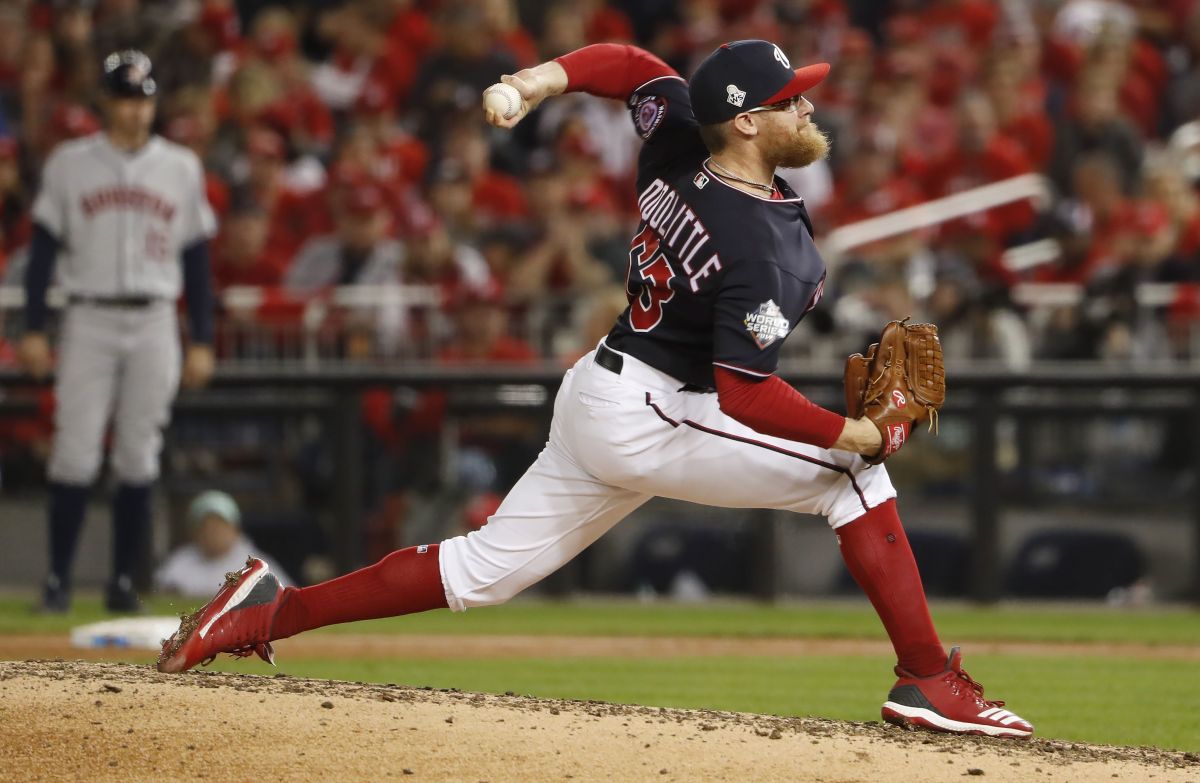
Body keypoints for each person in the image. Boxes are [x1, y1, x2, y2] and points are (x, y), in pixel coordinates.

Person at [157, 39, 1033, 739]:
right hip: (656, 409)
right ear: (746, 127)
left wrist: (541, 80)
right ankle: (928, 679)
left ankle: (264, 613)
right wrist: (862, 436)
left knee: (481, 571)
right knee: (853, 479)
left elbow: (634, 67)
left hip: (603, 387)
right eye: (789, 101)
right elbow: (746, 398)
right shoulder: (763, 249)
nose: (808, 105)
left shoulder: (680, 139)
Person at [18, 50, 217, 613]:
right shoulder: (69, 163)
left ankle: (124, 583)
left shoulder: (179, 166)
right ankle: (58, 580)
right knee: (74, 451)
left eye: (144, 99)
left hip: (156, 316)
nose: (136, 110)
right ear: (105, 101)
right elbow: (41, 252)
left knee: (139, 454)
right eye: (126, 99)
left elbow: (198, 260)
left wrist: (201, 338)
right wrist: (34, 327)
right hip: (88, 315)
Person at [155, 491, 290, 597]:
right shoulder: (179, 562)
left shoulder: (259, 566)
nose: (212, 532)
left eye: (219, 525)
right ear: (194, 532)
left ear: (235, 529)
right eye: (205, 526)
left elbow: (285, 600)